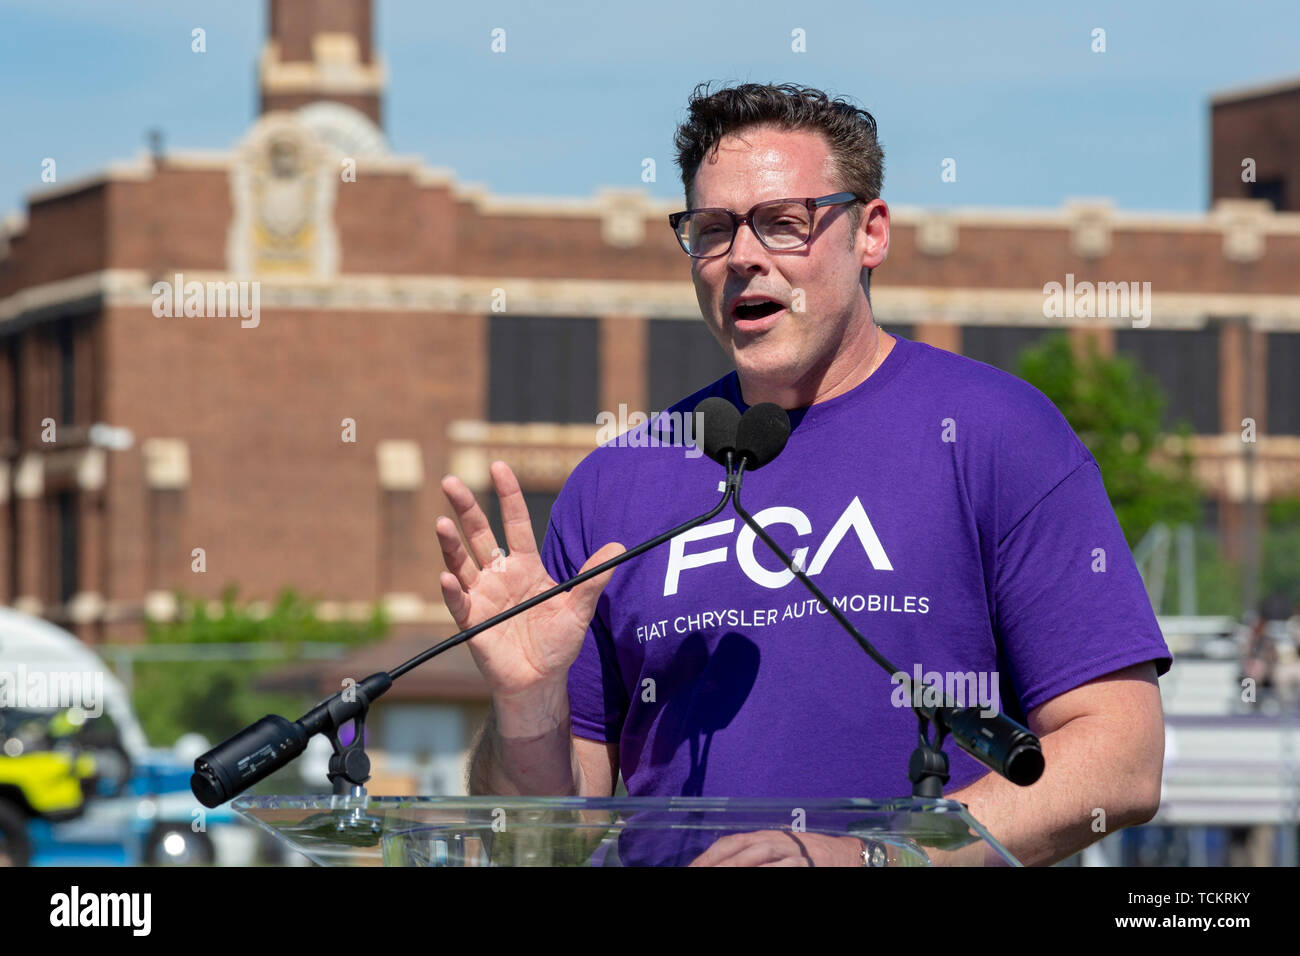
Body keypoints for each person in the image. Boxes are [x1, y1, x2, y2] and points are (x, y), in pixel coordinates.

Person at [438, 82, 1170, 866]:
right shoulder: (615, 485)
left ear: (871, 234)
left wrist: (870, 859)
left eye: (784, 224)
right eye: (712, 230)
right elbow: (548, 840)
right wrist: (526, 703)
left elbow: (1120, 757)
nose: (742, 258)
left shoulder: (999, 434)